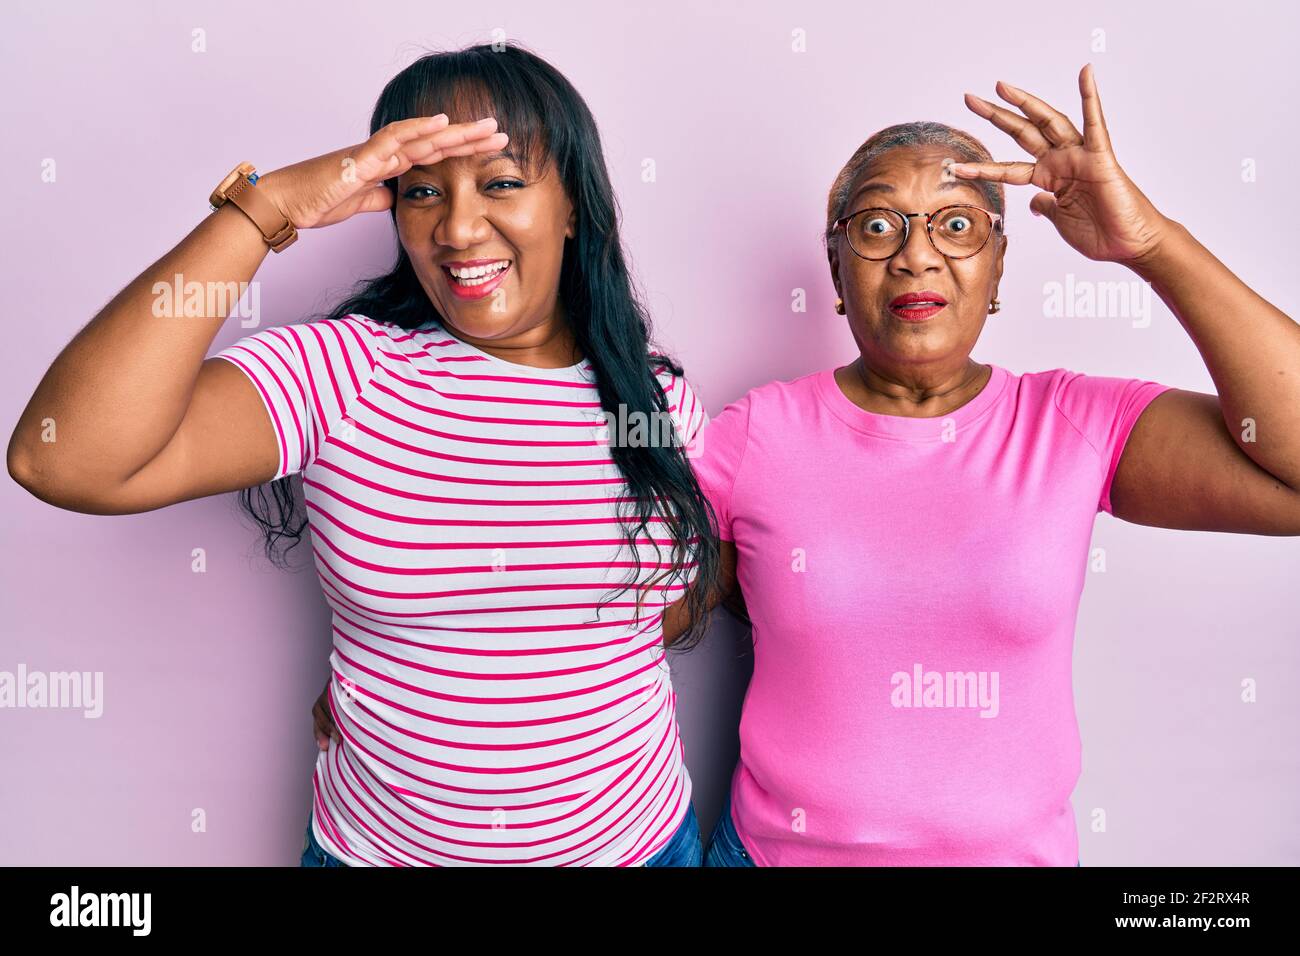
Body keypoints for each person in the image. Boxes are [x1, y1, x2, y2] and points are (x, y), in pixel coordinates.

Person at [7, 42, 720, 867]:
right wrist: (263, 206)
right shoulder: (344, 373)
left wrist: (483, 671)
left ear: (572, 205)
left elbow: (664, 602)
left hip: (638, 846)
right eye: (421, 193)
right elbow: (64, 459)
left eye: (501, 182)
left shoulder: (655, 399)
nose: (455, 227)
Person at [687, 65, 1299, 866]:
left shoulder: (1073, 422)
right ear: (835, 270)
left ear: (999, 268)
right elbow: (615, 601)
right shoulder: (751, 434)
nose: (915, 257)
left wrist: (1152, 245)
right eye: (877, 227)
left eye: (956, 225)